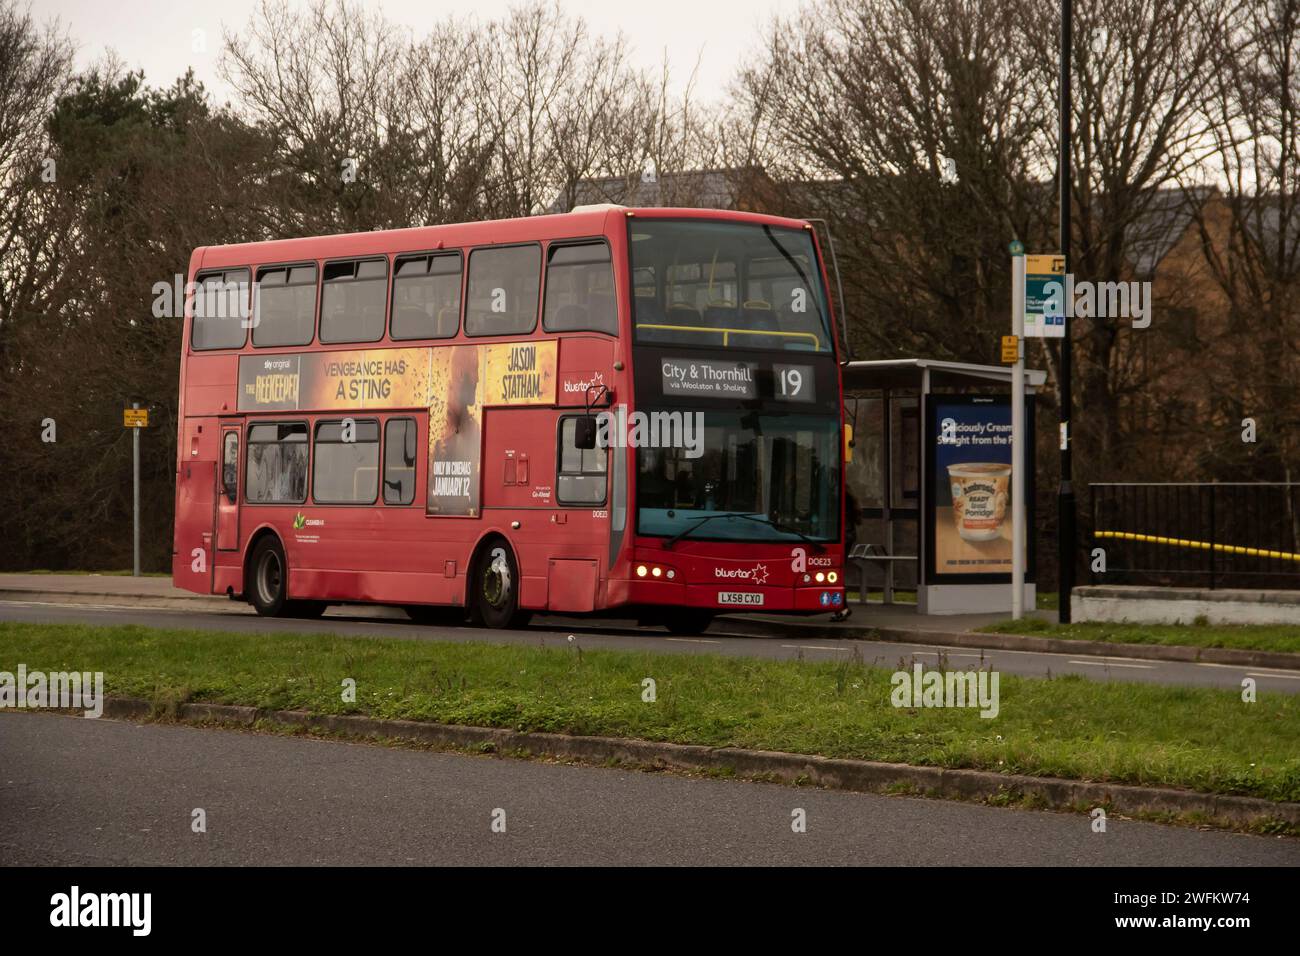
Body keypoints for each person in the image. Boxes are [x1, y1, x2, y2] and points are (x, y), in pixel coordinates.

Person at [832, 489, 861, 621]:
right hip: (847, 538)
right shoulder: (849, 506)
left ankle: (843, 607)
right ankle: (840, 607)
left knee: (836, 574)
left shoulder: (841, 508)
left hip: (843, 539)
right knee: (837, 573)